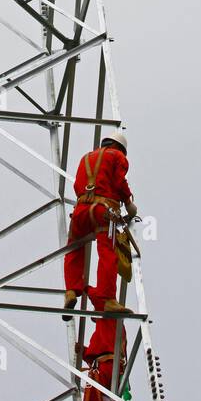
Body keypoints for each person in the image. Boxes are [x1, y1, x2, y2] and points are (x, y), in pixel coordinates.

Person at [63, 129, 137, 317]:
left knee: (73, 250)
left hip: (80, 211)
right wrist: (128, 203)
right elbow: (119, 182)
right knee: (107, 252)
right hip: (102, 211)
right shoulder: (117, 156)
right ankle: (107, 299)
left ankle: (71, 290)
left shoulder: (86, 158)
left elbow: (76, 185)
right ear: (120, 148)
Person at [83, 318, 128, 401]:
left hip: (107, 365)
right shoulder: (107, 326)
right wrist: (84, 352)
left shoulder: (107, 321)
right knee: (100, 400)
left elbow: (102, 350)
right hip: (108, 365)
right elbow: (100, 349)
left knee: (92, 399)